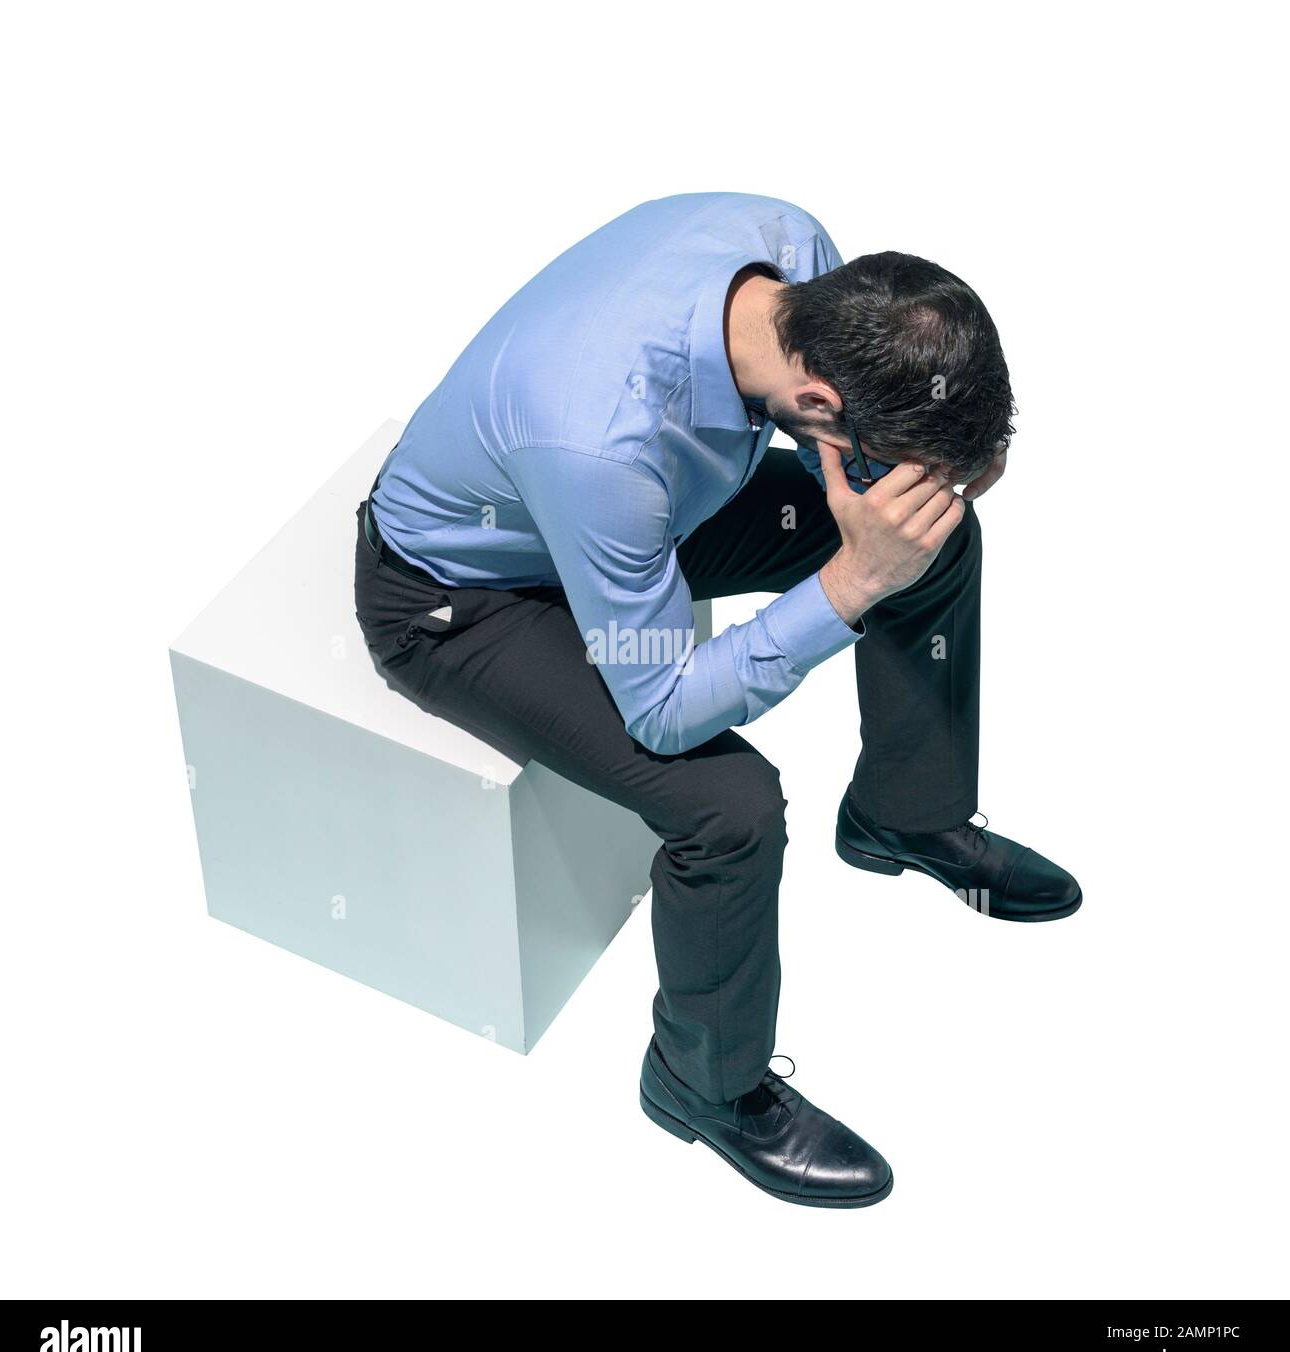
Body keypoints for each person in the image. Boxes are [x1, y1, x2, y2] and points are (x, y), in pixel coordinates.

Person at [354, 192, 1080, 1208]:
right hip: (465, 597)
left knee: (936, 547)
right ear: (823, 404)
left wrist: (914, 518)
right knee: (726, 806)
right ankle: (700, 1080)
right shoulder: (599, 441)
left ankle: (902, 815)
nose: (897, 479)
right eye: (891, 460)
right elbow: (660, 710)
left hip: (642, 506)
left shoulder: (794, 253)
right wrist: (845, 587)